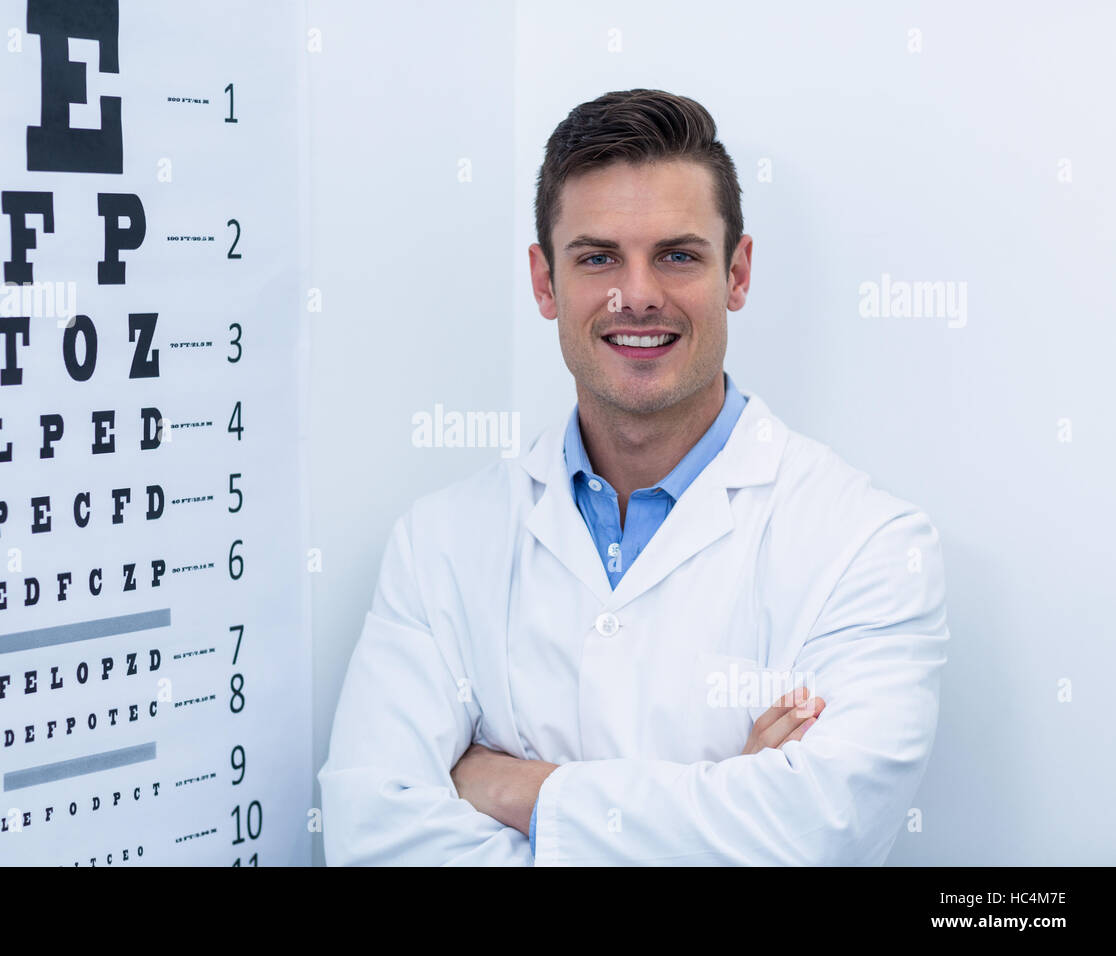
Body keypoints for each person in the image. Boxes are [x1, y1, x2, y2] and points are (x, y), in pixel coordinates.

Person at [318, 89, 949, 865]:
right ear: (545, 284)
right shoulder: (439, 545)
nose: (637, 294)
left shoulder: (868, 546)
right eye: (598, 257)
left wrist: (518, 789)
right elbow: (371, 837)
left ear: (737, 274)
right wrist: (725, 798)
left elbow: (818, 835)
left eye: (678, 255)